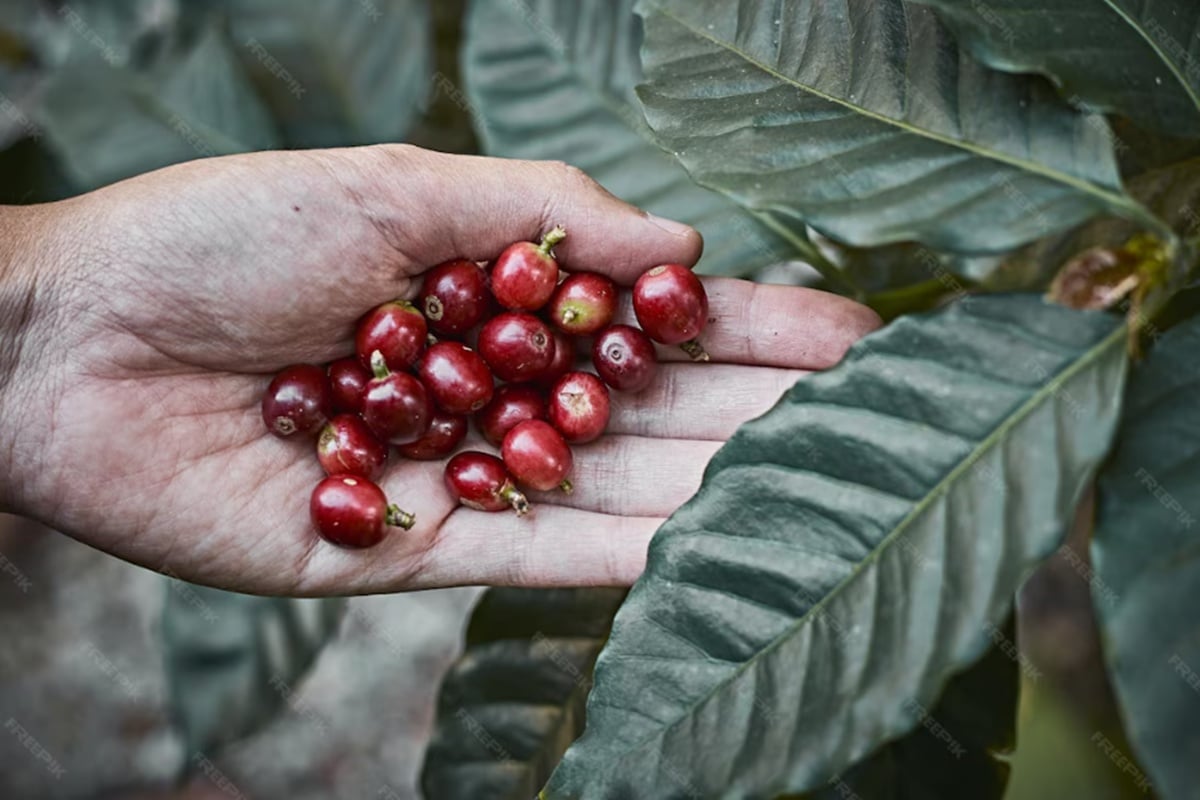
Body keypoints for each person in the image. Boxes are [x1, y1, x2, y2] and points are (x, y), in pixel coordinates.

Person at [0, 144, 880, 595]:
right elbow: (442, 399)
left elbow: (478, 387)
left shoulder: (495, 365)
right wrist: (41, 327)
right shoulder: (414, 395)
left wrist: (42, 327)